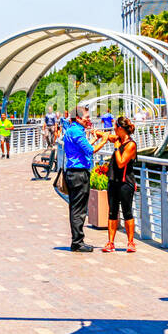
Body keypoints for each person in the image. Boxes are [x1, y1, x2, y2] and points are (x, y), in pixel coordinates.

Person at [60, 107, 103, 252]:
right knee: (79, 209)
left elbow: (82, 147)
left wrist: (94, 139)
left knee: (75, 207)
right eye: (86, 117)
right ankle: (77, 243)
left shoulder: (71, 130)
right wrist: (104, 140)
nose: (88, 119)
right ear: (78, 118)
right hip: (79, 174)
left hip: (73, 172)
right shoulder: (77, 131)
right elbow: (90, 150)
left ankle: (77, 241)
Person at [99, 116, 138, 253]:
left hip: (125, 182)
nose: (114, 129)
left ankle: (131, 242)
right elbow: (107, 136)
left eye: (115, 127)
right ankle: (110, 243)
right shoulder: (118, 139)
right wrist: (97, 133)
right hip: (113, 181)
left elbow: (121, 163)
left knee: (127, 212)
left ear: (120, 128)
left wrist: (116, 149)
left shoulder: (131, 145)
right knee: (112, 212)